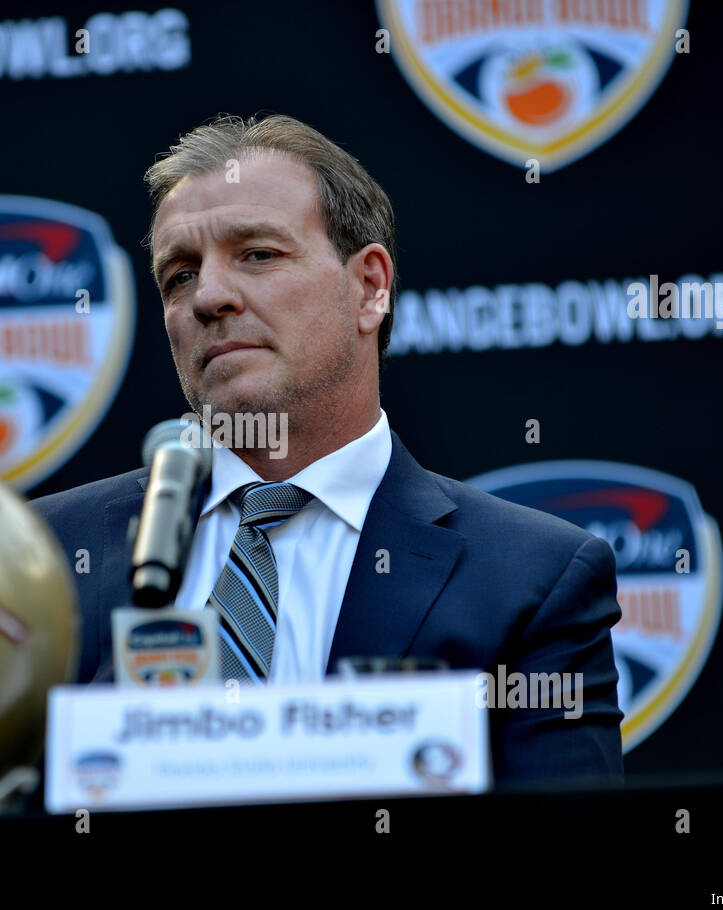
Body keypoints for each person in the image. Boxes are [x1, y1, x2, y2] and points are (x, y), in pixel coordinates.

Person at [31, 113, 623, 783]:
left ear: (370, 286)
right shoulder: (42, 561)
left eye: (257, 253)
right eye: (179, 276)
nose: (210, 296)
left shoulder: (531, 578)